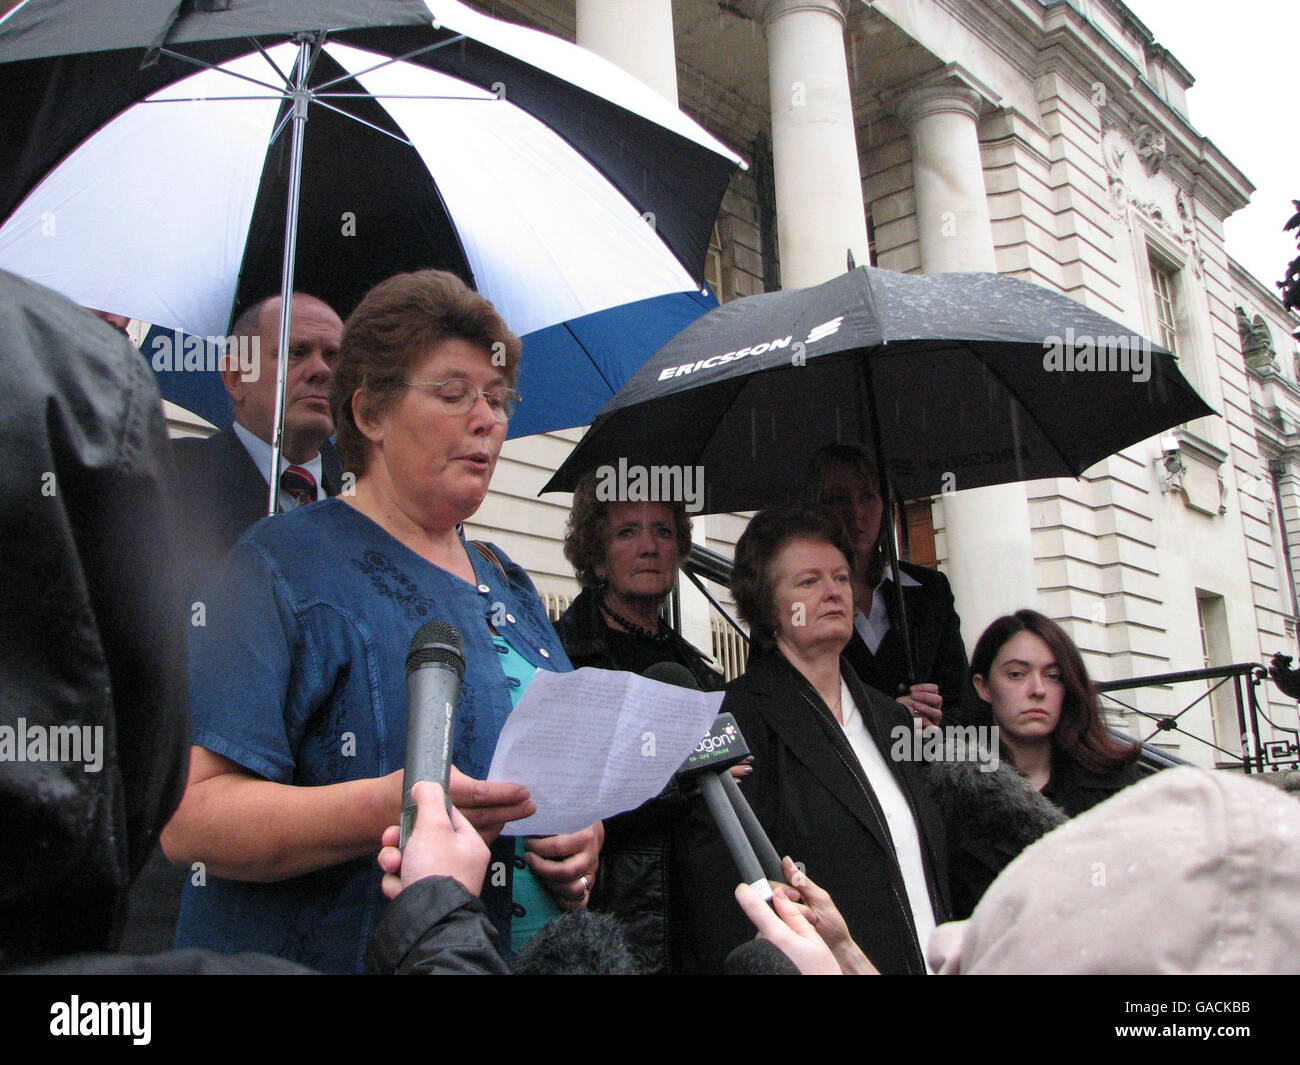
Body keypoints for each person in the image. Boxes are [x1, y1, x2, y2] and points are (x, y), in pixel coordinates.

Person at [164, 270, 602, 973]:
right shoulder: (278, 564)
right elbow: (193, 818)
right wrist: (394, 802)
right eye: (455, 394)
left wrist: (585, 831)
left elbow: (564, 766)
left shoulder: (509, 580)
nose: (487, 418)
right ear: (369, 414)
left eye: (496, 398)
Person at [673, 505, 950, 974]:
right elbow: (721, 895)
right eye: (809, 582)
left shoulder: (891, 719)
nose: (833, 593)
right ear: (767, 604)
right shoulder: (731, 719)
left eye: (841, 578)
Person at [553, 472, 724, 972]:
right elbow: (570, 800)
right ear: (596, 554)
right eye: (628, 532)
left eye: (663, 531)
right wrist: (685, 777)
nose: (649, 546)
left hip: (702, 925)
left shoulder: (701, 675)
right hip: (616, 929)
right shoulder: (563, 658)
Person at [171, 292, 345, 572]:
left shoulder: (372, 490)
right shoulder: (170, 480)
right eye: (296, 353)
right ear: (237, 377)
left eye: (334, 357)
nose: (321, 370)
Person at [806, 443, 968, 725]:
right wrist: (886, 716)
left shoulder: (930, 591)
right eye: (838, 499)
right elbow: (785, 708)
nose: (856, 512)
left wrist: (935, 721)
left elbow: (961, 701)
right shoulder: (792, 601)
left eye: (868, 496)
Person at [967, 609, 1148, 817]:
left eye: (1053, 676)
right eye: (1016, 674)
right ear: (984, 687)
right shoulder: (952, 791)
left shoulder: (1122, 790)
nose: (1038, 690)